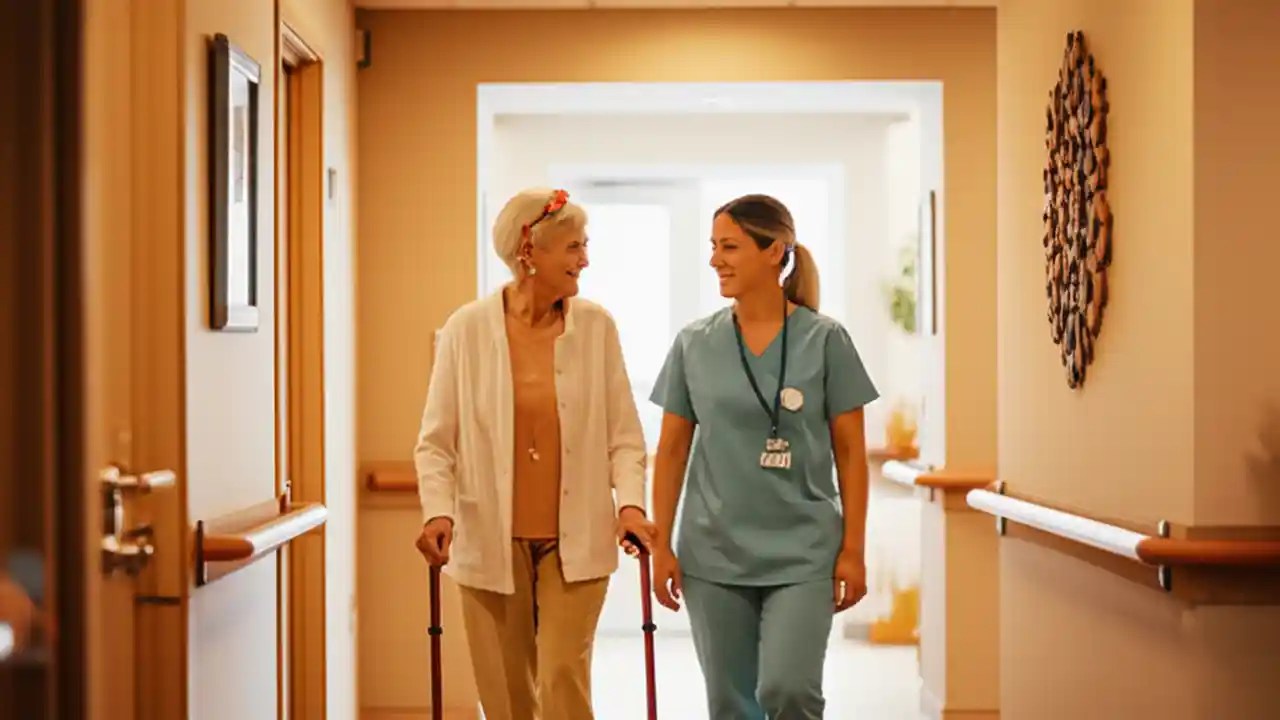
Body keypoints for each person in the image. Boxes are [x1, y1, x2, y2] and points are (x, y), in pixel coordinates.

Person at [413, 187, 657, 720]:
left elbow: (625, 437)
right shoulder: (466, 330)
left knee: (562, 678)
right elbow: (436, 442)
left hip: (577, 542)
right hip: (489, 540)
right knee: (507, 696)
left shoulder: (596, 327)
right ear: (529, 249)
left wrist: (630, 506)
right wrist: (438, 512)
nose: (584, 260)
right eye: (573, 247)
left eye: (584, 246)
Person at [648, 194, 878, 719]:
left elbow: (851, 453)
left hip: (804, 552)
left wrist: (854, 549)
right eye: (713, 246)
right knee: (731, 704)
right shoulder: (694, 343)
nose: (715, 260)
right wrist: (662, 546)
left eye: (729, 247)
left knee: (788, 691)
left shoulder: (826, 340)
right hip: (713, 553)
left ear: (774, 251)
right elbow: (672, 451)